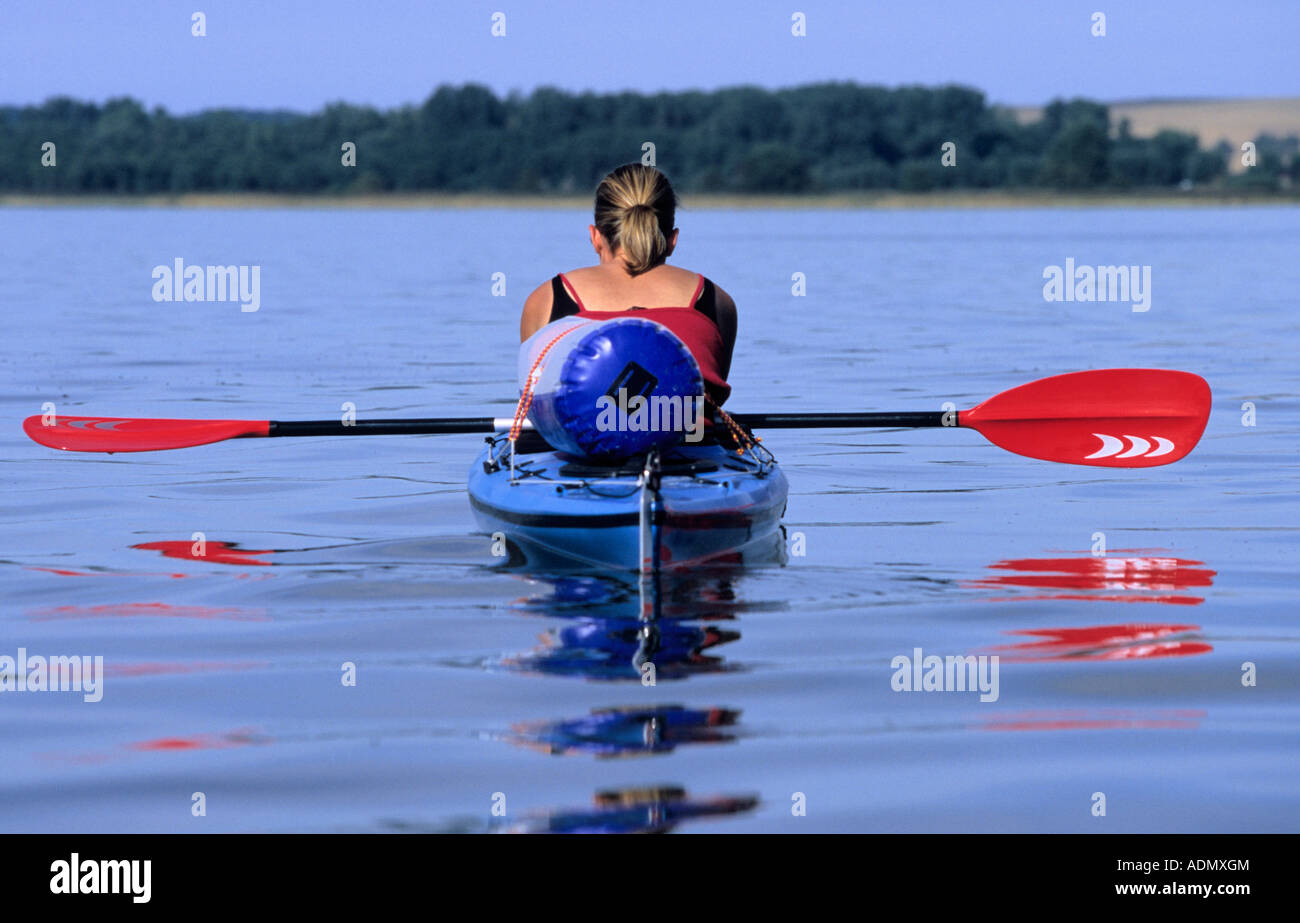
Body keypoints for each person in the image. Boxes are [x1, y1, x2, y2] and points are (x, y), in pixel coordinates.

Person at [519, 163, 738, 406]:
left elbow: (533, 402)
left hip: (582, 442)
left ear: (595, 237)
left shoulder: (547, 298)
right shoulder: (716, 301)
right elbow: (714, 399)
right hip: (694, 440)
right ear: (672, 240)